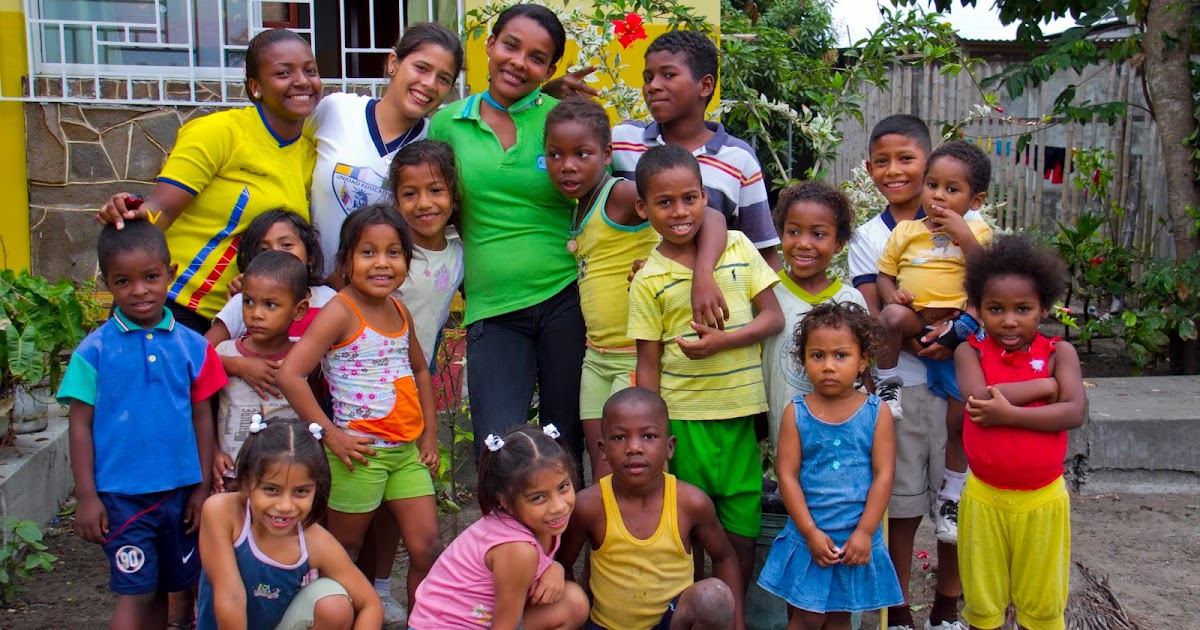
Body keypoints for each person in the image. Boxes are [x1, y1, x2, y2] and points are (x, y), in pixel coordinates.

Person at [426, 4, 597, 462]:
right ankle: (503, 537)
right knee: (496, 449)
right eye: (511, 45)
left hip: (568, 299)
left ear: (551, 69)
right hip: (493, 308)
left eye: (537, 57)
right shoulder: (446, 124)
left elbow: (605, 196)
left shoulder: (563, 120)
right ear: (490, 44)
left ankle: (567, 536)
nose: (520, 62)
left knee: (566, 444)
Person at [543, 96, 728, 480]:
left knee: (627, 469)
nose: (568, 166)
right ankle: (608, 541)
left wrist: (702, 274)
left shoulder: (621, 195)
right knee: (603, 467)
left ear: (607, 154)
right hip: (596, 356)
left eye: (582, 153)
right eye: (555, 155)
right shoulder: (580, 204)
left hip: (633, 353)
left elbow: (709, 216)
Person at [627, 144, 784, 595]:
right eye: (665, 202)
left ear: (704, 198)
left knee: (741, 530)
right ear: (643, 207)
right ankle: (692, 612)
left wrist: (724, 342)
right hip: (684, 418)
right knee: (689, 532)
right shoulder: (648, 279)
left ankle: (734, 612)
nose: (680, 211)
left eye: (690, 198)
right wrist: (653, 430)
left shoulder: (737, 246)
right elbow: (648, 361)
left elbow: (772, 318)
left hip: (739, 416)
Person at [57, 220, 227, 628]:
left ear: (171, 272)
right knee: (135, 594)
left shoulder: (195, 346)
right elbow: (79, 427)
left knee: (163, 587)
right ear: (108, 284)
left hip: (180, 493)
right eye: (123, 281)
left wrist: (202, 488)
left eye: (151, 277)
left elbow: (203, 417)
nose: (139, 291)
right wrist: (87, 497)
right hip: (121, 497)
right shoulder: (93, 351)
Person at [96, 28, 321, 333]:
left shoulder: (312, 155)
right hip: (172, 308)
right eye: (284, 73)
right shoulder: (218, 132)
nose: (302, 81)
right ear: (255, 86)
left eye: (310, 70)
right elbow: (163, 206)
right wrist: (135, 213)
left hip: (245, 318)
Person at [277, 205, 442, 612]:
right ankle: (323, 617)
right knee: (342, 548)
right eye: (368, 252)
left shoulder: (399, 310)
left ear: (407, 259)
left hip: (406, 454)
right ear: (346, 261)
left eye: (393, 253)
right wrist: (330, 434)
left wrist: (431, 436)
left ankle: (422, 622)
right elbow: (291, 375)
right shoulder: (339, 311)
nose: (382, 263)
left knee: (427, 548)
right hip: (358, 457)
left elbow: (420, 370)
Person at [847, 115, 968, 630]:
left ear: (929, 161)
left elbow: (994, 290)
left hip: (961, 382)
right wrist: (928, 338)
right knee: (902, 505)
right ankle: (896, 610)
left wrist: (959, 334)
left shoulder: (963, 223)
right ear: (869, 167)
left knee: (954, 503)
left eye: (906, 159)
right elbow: (877, 317)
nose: (892, 171)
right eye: (881, 161)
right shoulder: (870, 239)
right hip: (905, 388)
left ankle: (947, 605)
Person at [954, 234, 1085, 630]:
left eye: (1023, 309)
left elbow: (1074, 411)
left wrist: (1007, 413)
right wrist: (1046, 389)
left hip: (1043, 501)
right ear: (977, 308)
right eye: (996, 309)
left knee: (1042, 607)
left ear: (1044, 308)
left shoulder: (1060, 353)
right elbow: (979, 400)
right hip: (984, 500)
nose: (1009, 320)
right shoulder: (969, 352)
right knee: (983, 603)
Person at [757, 302, 903, 628]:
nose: (828, 366)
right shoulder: (798, 412)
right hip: (810, 535)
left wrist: (865, 532)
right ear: (803, 359)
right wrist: (809, 531)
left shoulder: (876, 412)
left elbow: (884, 474)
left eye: (841, 355)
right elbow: (788, 476)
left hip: (855, 536)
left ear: (863, 359)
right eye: (817, 355)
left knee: (840, 619)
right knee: (806, 619)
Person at [558, 387, 743, 630]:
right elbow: (561, 564)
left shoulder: (690, 503)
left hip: (671, 623)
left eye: (648, 436)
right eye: (619, 437)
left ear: (670, 447)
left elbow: (725, 557)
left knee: (714, 596)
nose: (634, 447)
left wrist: (738, 624)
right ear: (602, 450)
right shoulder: (589, 506)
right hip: (606, 626)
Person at [611, 30, 782, 272]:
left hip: (705, 301)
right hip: (627, 302)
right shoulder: (622, 140)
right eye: (648, 78)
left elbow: (762, 251)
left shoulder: (738, 159)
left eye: (668, 75)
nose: (653, 86)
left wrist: (783, 307)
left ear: (705, 85)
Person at [308, 22, 464, 279]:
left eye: (443, 79)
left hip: (383, 299)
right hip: (313, 288)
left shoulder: (432, 145)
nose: (429, 84)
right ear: (394, 63)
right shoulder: (336, 111)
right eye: (421, 68)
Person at [196, 417, 384, 629]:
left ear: (317, 489)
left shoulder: (315, 541)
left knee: (334, 606)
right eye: (271, 489)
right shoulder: (222, 511)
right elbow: (231, 597)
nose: (285, 506)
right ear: (247, 482)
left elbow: (371, 604)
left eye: (301, 491)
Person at [408, 425, 591, 629]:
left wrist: (554, 567)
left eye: (563, 487)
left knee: (574, 602)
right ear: (503, 501)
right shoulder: (517, 549)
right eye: (538, 497)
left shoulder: (542, 524)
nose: (558, 506)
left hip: (481, 619)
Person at [874, 140, 994, 420]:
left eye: (951, 190)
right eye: (932, 185)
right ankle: (888, 384)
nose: (938, 196)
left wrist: (962, 233)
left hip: (961, 325)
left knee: (961, 413)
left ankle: (957, 462)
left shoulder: (978, 231)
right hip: (915, 318)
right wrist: (893, 296)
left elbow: (987, 274)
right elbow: (884, 277)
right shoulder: (905, 231)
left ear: (975, 200)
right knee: (890, 316)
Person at [761, 181, 867, 446]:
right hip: (783, 441)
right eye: (793, 231)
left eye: (818, 234)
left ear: (839, 243)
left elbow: (865, 373)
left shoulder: (850, 300)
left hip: (841, 441)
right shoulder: (764, 293)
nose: (803, 244)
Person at [206, 209, 336, 400]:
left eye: (286, 245)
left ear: (310, 256)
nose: (276, 253)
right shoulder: (242, 302)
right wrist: (237, 365)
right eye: (264, 250)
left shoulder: (328, 299)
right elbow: (198, 354)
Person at [211, 250, 311, 492]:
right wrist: (213, 451)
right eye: (248, 302)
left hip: (285, 478)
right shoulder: (224, 353)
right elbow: (205, 407)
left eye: (270, 305)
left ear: (298, 310)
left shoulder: (303, 360)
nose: (256, 314)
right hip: (231, 473)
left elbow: (311, 414)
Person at [390, 139, 465, 371]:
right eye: (410, 194)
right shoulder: (389, 252)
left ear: (453, 197)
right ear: (397, 202)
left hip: (421, 364)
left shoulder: (460, 253)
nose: (423, 203)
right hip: (371, 369)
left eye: (435, 190)